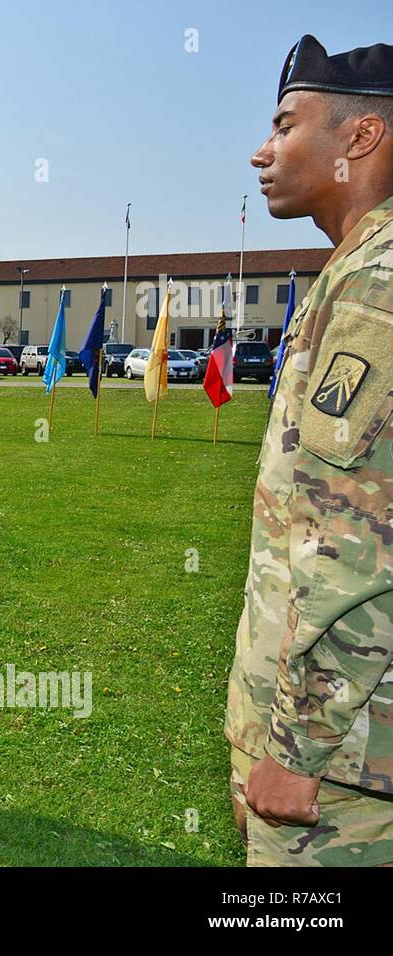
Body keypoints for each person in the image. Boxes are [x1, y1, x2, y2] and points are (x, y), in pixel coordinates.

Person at [226, 34, 393, 866]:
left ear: (359, 139)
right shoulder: (351, 269)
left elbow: (354, 547)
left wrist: (294, 748)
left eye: (286, 125)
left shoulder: (376, 285)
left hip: (341, 761)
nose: (262, 150)